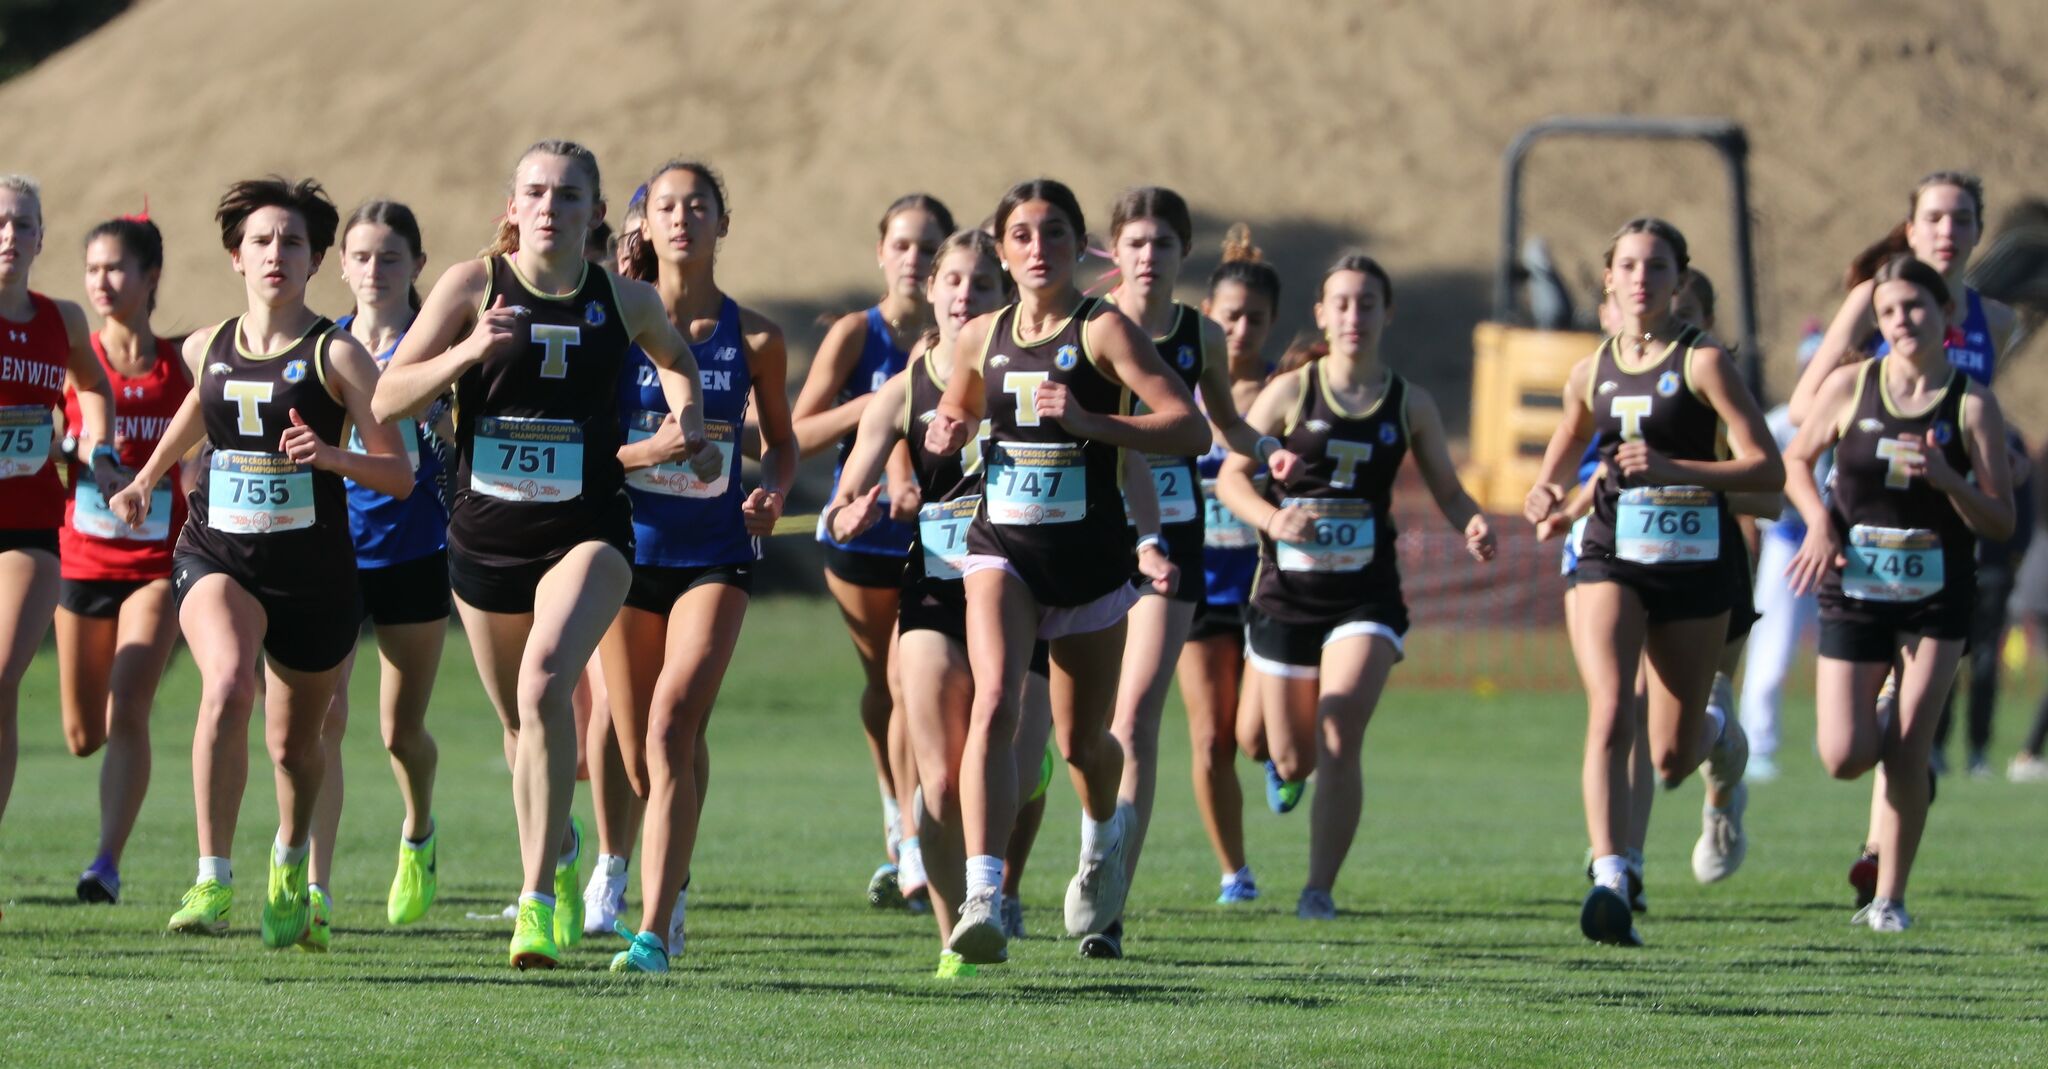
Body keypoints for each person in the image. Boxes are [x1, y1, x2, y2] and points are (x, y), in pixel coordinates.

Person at [374, 140, 722, 970]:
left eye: (570, 196)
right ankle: (563, 850)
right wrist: (465, 352)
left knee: (545, 686)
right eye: (535, 192)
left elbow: (677, 359)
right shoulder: (471, 285)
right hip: (487, 535)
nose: (551, 208)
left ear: (596, 212)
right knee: (517, 721)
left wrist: (690, 421)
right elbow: (387, 398)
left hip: (588, 529)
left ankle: (531, 901)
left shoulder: (623, 297)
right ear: (512, 205)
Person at [110, 177, 414, 949]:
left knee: (294, 747)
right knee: (226, 679)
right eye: (260, 241)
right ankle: (212, 874)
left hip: (313, 576)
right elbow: (197, 411)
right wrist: (146, 479)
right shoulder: (207, 344)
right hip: (218, 552)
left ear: (315, 260)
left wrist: (331, 454)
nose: (275, 254)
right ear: (236, 257)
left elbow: (398, 472)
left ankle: (289, 855)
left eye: (291, 243)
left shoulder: (336, 351)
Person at [922, 178, 1207, 965]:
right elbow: (959, 406)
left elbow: (1188, 426)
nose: (1037, 248)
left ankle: (1103, 835)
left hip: (1088, 563)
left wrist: (1088, 420)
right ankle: (984, 892)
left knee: (1086, 743)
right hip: (1001, 548)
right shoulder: (982, 333)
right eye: (1021, 234)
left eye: (1053, 234)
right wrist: (950, 428)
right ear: (1002, 248)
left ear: (1080, 247)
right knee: (995, 702)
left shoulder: (1105, 330)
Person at [1216, 253, 1497, 922]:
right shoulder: (1289, 391)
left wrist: (1474, 522)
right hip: (1286, 593)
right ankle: (1284, 767)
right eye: (1341, 303)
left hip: (1365, 595)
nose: (1354, 316)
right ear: (1321, 313)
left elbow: (1449, 490)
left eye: (1367, 303)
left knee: (1340, 727)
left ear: (1387, 313)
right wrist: (1274, 516)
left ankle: (1318, 890)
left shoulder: (1411, 402)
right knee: (1284, 749)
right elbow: (1231, 477)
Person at [1525, 218, 1781, 946]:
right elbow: (1567, 441)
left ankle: (1722, 739)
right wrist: (1545, 491)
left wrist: (1675, 470)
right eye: (1629, 266)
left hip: (1697, 563)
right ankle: (1612, 873)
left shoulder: (1703, 364)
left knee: (1671, 755)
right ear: (1608, 280)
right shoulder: (1590, 370)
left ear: (1678, 280)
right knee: (1611, 705)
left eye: (1657, 266)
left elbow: (1768, 470)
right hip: (1611, 549)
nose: (1642, 278)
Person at [823, 227, 1070, 975]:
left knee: (1015, 774)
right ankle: (954, 931)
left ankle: (1004, 843)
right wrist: (850, 512)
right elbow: (841, 499)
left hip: (1024, 591)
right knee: (937, 780)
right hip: (933, 589)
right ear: (930, 291)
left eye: (984, 285)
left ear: (1005, 299)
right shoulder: (903, 388)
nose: (967, 296)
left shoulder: (1031, 375)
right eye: (954, 281)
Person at [1788, 172, 2028, 905]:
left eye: (1962, 219)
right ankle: (1878, 827)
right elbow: (1805, 408)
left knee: (1911, 737)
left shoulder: (1999, 320)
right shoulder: (1875, 299)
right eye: (1934, 217)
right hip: (1865, 521)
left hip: (1943, 538)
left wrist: (1997, 454)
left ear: (1979, 230)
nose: (1948, 231)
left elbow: (1979, 412)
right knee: (1858, 743)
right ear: (1912, 224)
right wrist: (1870, 392)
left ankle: (1880, 867)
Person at [594, 160, 795, 974]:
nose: (682, 219)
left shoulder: (757, 339)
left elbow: (781, 444)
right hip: (625, 551)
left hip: (714, 555)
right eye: (666, 207)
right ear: (643, 225)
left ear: (722, 222)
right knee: (647, 752)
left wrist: (773, 492)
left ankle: (653, 928)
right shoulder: (609, 326)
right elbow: (590, 453)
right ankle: (672, 875)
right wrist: (655, 448)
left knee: (674, 722)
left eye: (698, 206)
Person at [1085, 188, 1268, 958]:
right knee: (1075, 728)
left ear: (1181, 252)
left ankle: (1108, 890)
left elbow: (1224, 422)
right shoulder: (1088, 325)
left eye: (1163, 243)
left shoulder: (1200, 335)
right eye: (1136, 242)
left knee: (1133, 722)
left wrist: (1273, 450)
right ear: (1114, 250)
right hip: (1089, 534)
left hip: (1174, 541)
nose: (1149, 256)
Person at [790, 194, 954, 905]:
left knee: (908, 683)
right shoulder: (858, 333)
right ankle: (900, 815)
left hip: (943, 534)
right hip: (862, 533)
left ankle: (916, 837)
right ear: (881, 253)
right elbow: (798, 434)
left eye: (929, 248)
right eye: (904, 245)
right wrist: (883, 401)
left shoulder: (969, 336)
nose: (915, 260)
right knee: (884, 683)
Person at [302, 200, 450, 937]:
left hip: (416, 552)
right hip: (334, 551)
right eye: (360, 257)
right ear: (340, 265)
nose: (374, 271)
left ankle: (418, 830)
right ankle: (316, 887)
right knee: (324, 716)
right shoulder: (323, 350)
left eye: (390, 257)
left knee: (400, 731)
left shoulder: (441, 344)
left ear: (418, 265)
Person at [0, 176, 122, 921]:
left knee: (2, 674)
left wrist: (97, 443)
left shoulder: (62, 318)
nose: (10, 234)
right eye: (0, 222)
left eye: (23, 224)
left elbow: (94, 385)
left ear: (42, 237)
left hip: (29, 528)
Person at [56, 213, 186, 905]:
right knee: (83, 731)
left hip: (156, 565)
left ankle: (105, 862)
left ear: (150, 277)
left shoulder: (180, 364)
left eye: (116, 268)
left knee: (129, 703)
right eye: (93, 269)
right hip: (78, 561)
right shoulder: (74, 362)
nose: (102, 282)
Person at [1176, 224, 1281, 906]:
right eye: (1229, 316)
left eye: (1255, 319)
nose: (1240, 330)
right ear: (1208, 317)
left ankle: (1279, 749)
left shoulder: (1283, 395)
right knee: (1211, 734)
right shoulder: (1174, 391)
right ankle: (1234, 871)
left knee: (1251, 736)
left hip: (1269, 585)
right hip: (1195, 583)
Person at [1738, 321, 1828, 784]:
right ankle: (1759, 744)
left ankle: (1838, 740)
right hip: (1790, 545)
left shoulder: (1853, 416)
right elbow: (1756, 482)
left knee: (1848, 654)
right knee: (1771, 655)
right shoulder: (1778, 424)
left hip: (1845, 552)